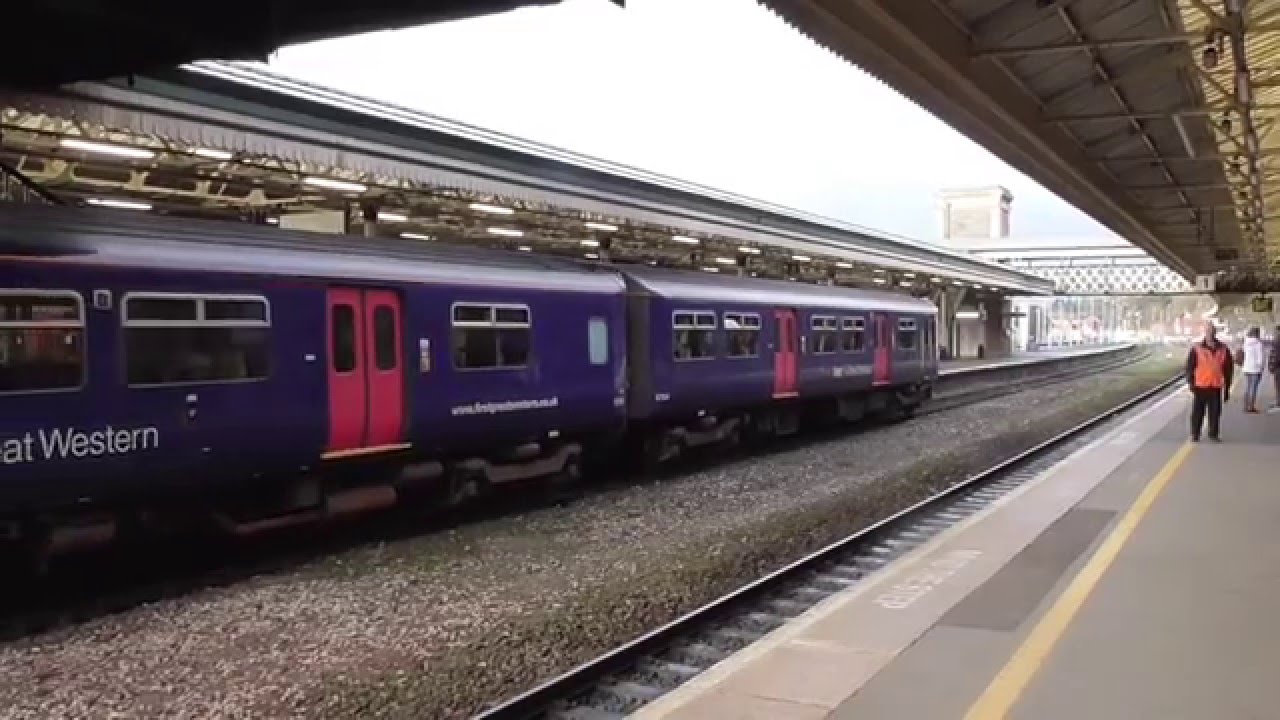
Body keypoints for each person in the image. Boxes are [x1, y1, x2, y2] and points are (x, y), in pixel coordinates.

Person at [1185, 321, 1233, 442]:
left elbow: (1228, 369)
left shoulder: (1223, 349)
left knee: (1215, 412)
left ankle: (1213, 434)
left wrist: (1227, 388)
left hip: (1215, 386)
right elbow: (1190, 367)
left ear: (1215, 333)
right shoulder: (1196, 348)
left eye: (1212, 331)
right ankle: (1195, 433)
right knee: (1197, 412)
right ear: (1205, 333)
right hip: (1200, 385)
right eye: (1208, 331)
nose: (1210, 334)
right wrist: (1190, 382)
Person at [1240, 326, 1265, 413]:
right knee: (1253, 388)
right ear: (1257, 333)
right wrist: (1261, 367)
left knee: (1247, 387)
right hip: (1255, 369)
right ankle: (1251, 407)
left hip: (1247, 367)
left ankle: (1245, 406)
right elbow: (1260, 358)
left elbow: (1244, 353)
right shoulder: (1258, 344)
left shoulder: (1246, 342)